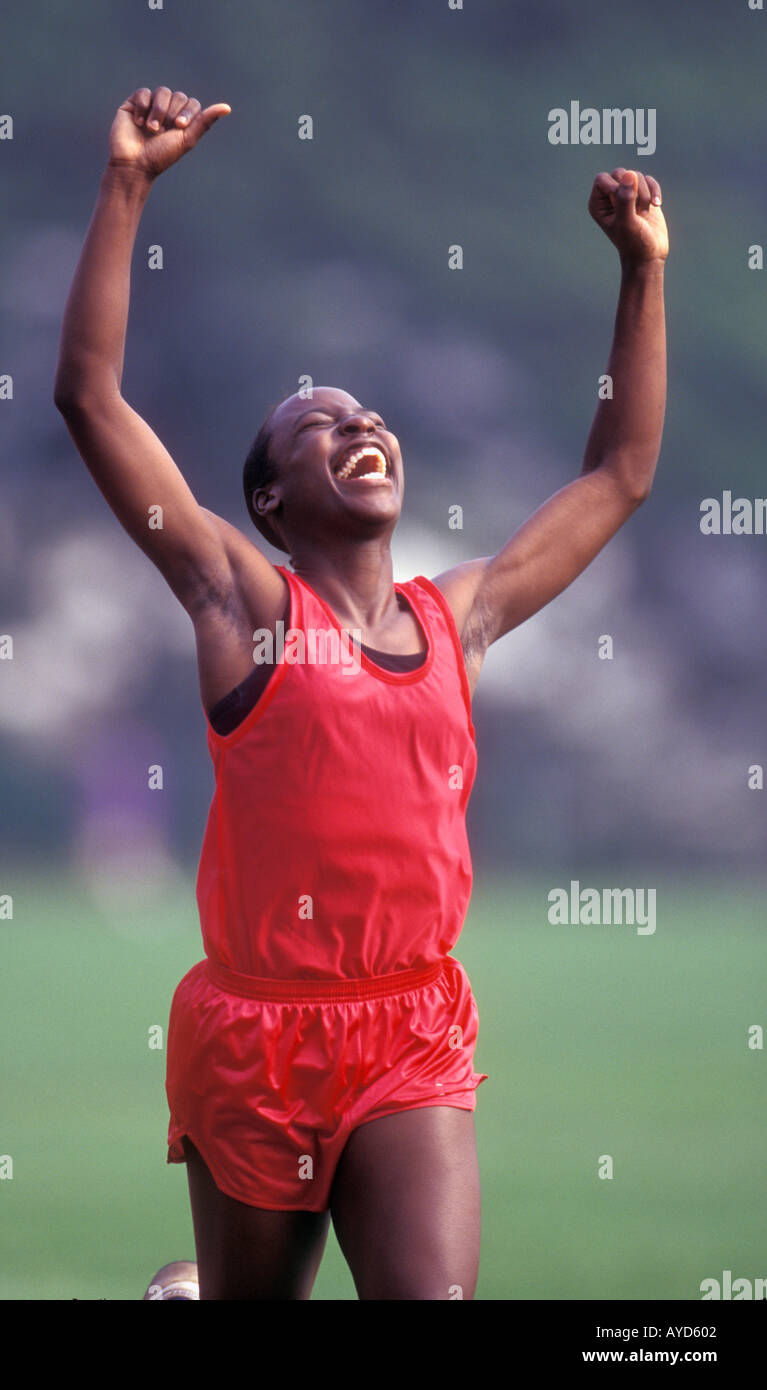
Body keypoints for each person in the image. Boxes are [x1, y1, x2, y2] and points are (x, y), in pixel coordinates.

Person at [54, 85, 668, 1301]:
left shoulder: (464, 618)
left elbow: (622, 472)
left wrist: (641, 271)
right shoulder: (242, 606)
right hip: (257, 1033)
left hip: (410, 1028)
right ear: (271, 503)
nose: (357, 421)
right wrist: (127, 183)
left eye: (367, 415)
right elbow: (89, 399)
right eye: (316, 424)